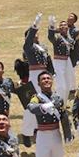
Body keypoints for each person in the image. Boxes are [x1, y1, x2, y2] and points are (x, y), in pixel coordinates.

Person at [26, 72, 70, 157]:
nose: (46, 80)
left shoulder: (58, 97)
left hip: (56, 134)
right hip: (43, 135)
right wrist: (43, 107)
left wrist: (68, 133)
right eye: (43, 79)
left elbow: (63, 115)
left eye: (48, 78)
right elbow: (31, 107)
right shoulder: (37, 98)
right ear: (38, 84)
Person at [21, 13, 55, 142]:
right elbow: (29, 40)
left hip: (45, 74)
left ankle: (38, 127)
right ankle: (26, 132)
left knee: (44, 100)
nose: (35, 35)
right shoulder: (28, 47)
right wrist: (34, 26)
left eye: (36, 33)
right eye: (33, 33)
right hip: (35, 74)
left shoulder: (43, 47)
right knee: (32, 102)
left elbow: (49, 60)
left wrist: (52, 73)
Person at [48, 15, 78, 100]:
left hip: (67, 61)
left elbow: (73, 46)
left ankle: (64, 102)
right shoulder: (57, 38)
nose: (63, 26)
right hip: (59, 61)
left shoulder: (70, 39)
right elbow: (50, 37)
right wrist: (51, 26)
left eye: (65, 25)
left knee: (68, 83)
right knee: (61, 84)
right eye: (61, 25)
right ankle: (59, 102)